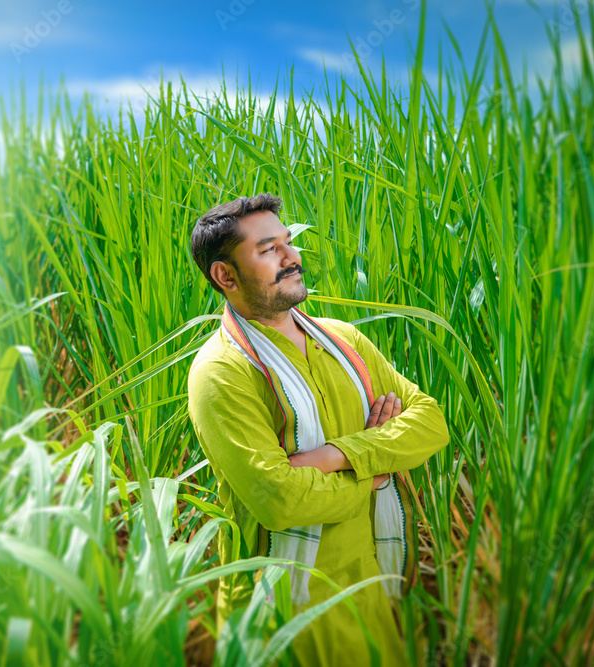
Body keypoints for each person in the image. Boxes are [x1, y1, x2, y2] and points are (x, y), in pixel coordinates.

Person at [186, 192, 450, 666]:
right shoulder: (222, 372)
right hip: (284, 611)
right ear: (225, 275)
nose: (292, 257)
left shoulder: (343, 340)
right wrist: (376, 473)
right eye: (269, 250)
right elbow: (280, 499)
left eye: (288, 242)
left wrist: (337, 457)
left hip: (370, 584)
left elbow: (430, 422)